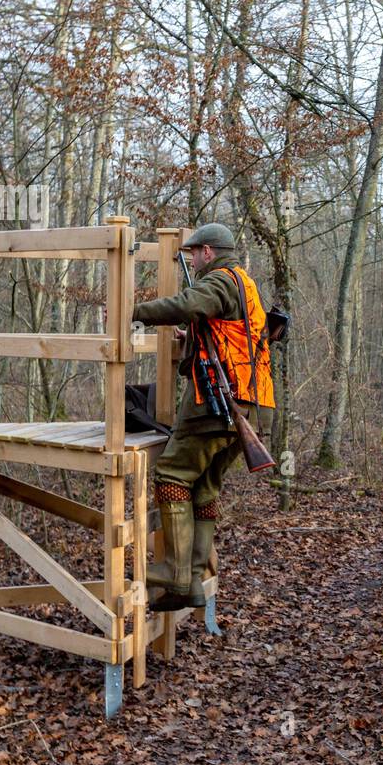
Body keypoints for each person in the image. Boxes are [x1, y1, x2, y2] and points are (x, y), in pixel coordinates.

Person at [131, 222, 274, 612]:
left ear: (207, 252)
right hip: (252, 403)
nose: (191, 260)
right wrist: (189, 339)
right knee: (204, 488)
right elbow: (224, 332)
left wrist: (134, 311)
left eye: (194, 254)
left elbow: (188, 305)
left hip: (217, 403)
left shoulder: (221, 280)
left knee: (173, 475)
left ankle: (178, 575)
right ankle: (192, 577)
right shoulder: (242, 282)